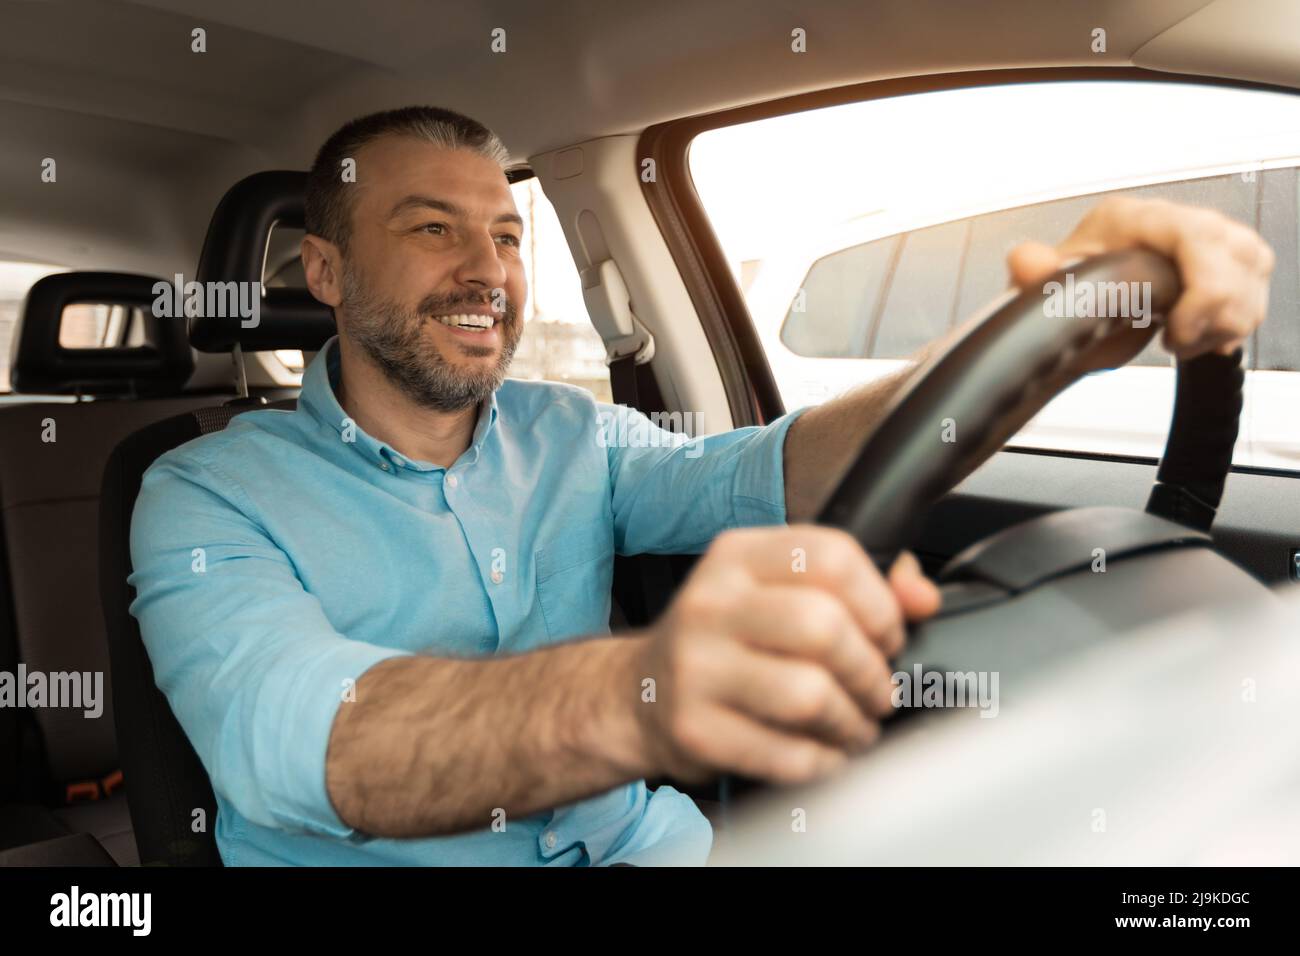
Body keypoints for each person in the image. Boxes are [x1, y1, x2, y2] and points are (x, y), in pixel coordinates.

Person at [129, 106, 1274, 865]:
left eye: (506, 236)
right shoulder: (201, 491)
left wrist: (1062, 328)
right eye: (433, 230)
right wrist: (640, 688)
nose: (486, 272)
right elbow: (299, 738)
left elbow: (777, 474)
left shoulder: (571, 432)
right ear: (323, 270)